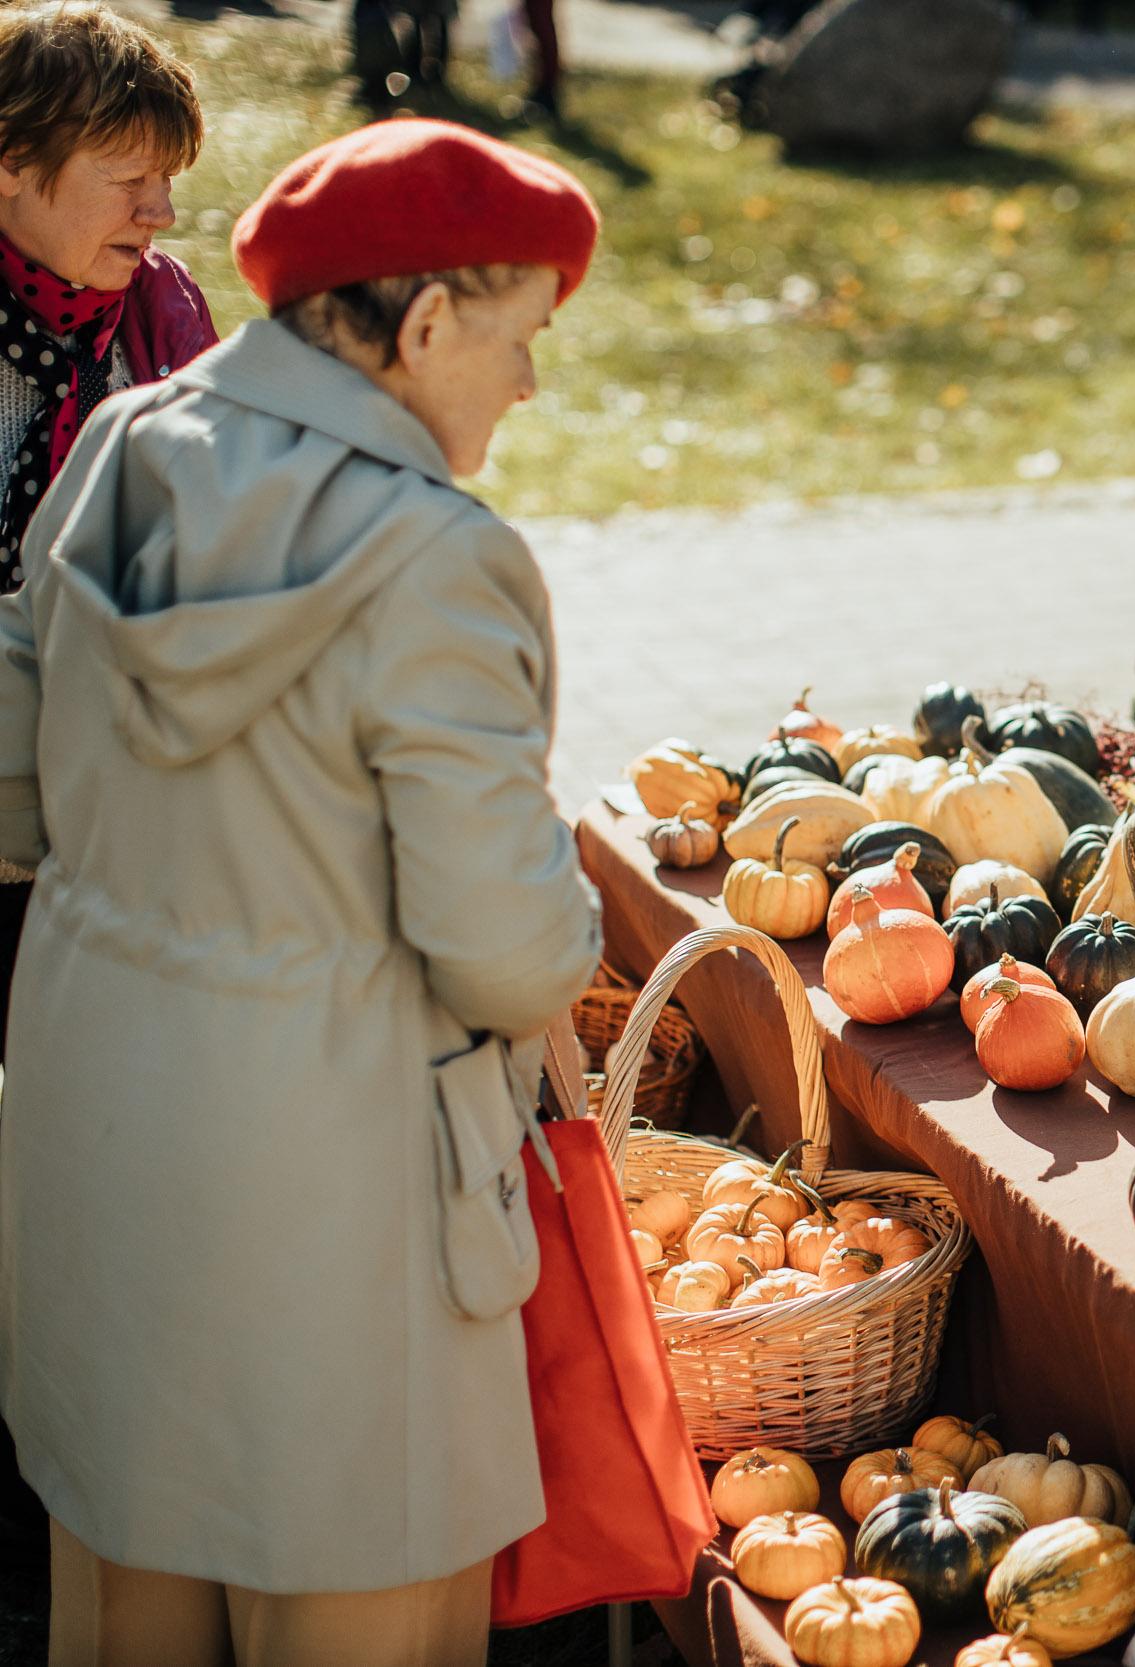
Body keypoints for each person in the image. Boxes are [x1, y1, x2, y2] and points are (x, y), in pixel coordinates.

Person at [0, 117, 604, 1666]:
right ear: (421, 326)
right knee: (362, 1610)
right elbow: (514, 957)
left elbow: (11, 786)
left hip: (99, 1149)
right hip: (347, 1202)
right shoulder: (439, 554)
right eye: (523, 337)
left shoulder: (124, 447)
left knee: (126, 1612)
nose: (528, 384)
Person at [0, 1, 215, 1051]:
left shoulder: (163, 320)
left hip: (102, 829)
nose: (160, 210)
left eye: (169, 178)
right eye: (128, 176)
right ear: (9, 161)